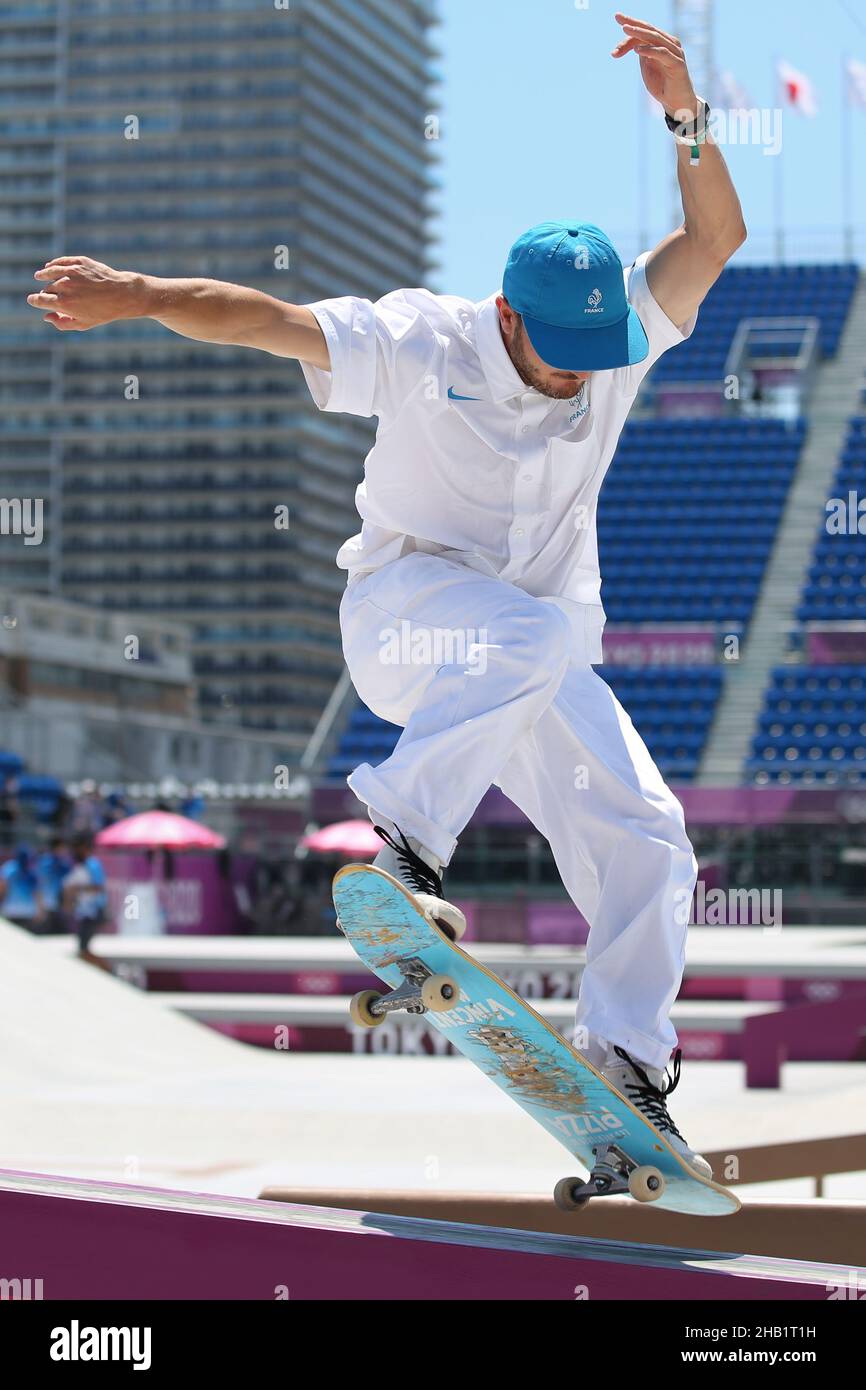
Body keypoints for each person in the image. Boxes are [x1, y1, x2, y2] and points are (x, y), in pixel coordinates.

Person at [26, 17, 746, 1175]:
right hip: (406, 623)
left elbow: (716, 233)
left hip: (528, 659)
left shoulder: (616, 338)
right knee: (525, 630)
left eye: (591, 350)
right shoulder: (423, 341)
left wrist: (683, 111)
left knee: (650, 836)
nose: (579, 372)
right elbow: (265, 316)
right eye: (556, 351)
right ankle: (402, 853)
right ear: (505, 314)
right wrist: (141, 294)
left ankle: (624, 1064)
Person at [62, 835, 109, 955]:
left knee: (84, 945)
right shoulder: (81, 865)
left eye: (77, 848)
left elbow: (98, 887)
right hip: (85, 910)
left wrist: (77, 888)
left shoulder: (92, 864)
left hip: (94, 909)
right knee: (82, 943)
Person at [0, 846, 42, 931]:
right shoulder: (31, 870)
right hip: (28, 911)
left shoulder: (8, 868)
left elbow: (2, 889)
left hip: (11, 910)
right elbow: (37, 893)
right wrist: (40, 910)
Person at [36, 837, 72, 934]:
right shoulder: (49, 862)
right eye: (63, 847)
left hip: (56, 901)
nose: (65, 850)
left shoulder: (62, 862)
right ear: (57, 847)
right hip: (49, 901)